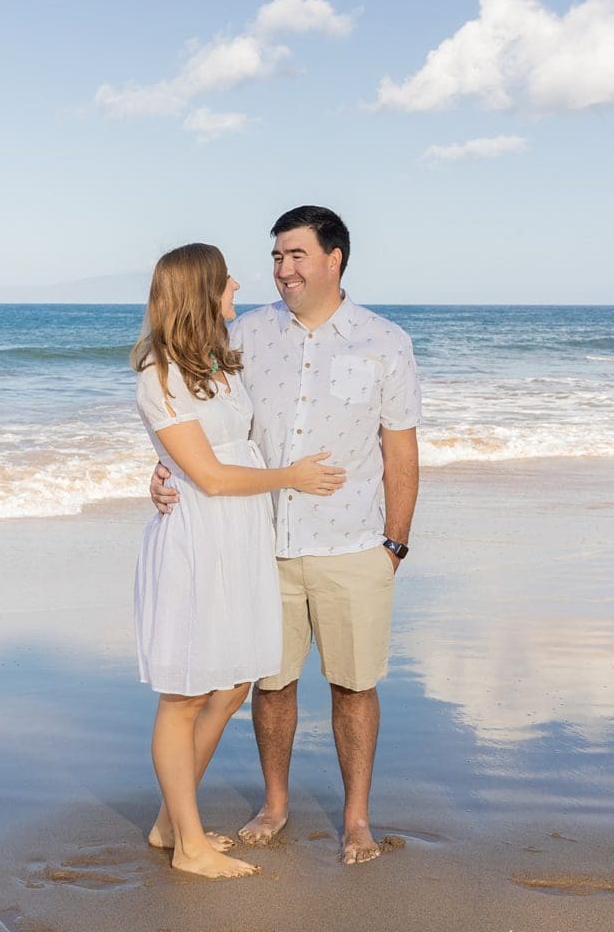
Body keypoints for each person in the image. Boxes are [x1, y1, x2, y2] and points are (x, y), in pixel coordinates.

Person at [151, 208, 421, 864]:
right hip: (260, 545)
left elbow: (401, 455)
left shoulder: (385, 342)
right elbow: (196, 419)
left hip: (353, 544)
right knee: (268, 687)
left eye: (295, 255)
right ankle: (275, 803)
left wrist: (393, 545)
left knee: (354, 686)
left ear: (334, 259)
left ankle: (355, 818)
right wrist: (161, 476)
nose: (282, 269)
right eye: (276, 256)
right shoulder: (243, 333)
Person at [132, 241, 346, 880]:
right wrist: (294, 477)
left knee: (229, 683)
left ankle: (174, 819)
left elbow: (220, 450)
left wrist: (163, 467)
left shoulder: (219, 367)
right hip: (198, 541)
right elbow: (213, 477)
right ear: (200, 290)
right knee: (185, 693)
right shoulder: (160, 376)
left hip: (239, 537)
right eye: (225, 278)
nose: (238, 284)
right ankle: (188, 846)